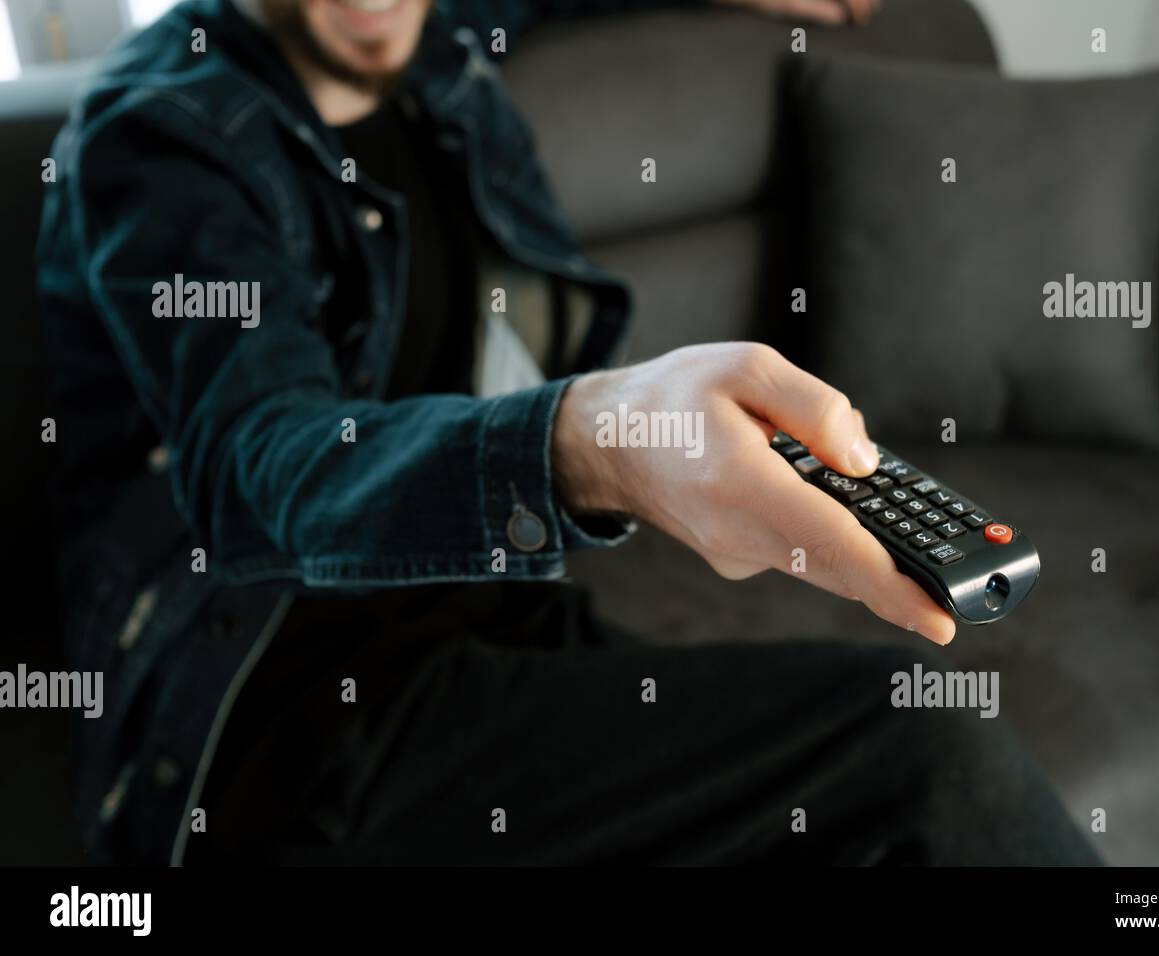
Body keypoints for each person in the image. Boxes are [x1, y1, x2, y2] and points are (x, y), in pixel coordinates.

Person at [36, 0, 1097, 865]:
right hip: (293, 718)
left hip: (500, 623)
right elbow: (262, 463)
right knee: (922, 750)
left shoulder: (429, 39)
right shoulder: (160, 139)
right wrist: (593, 441)